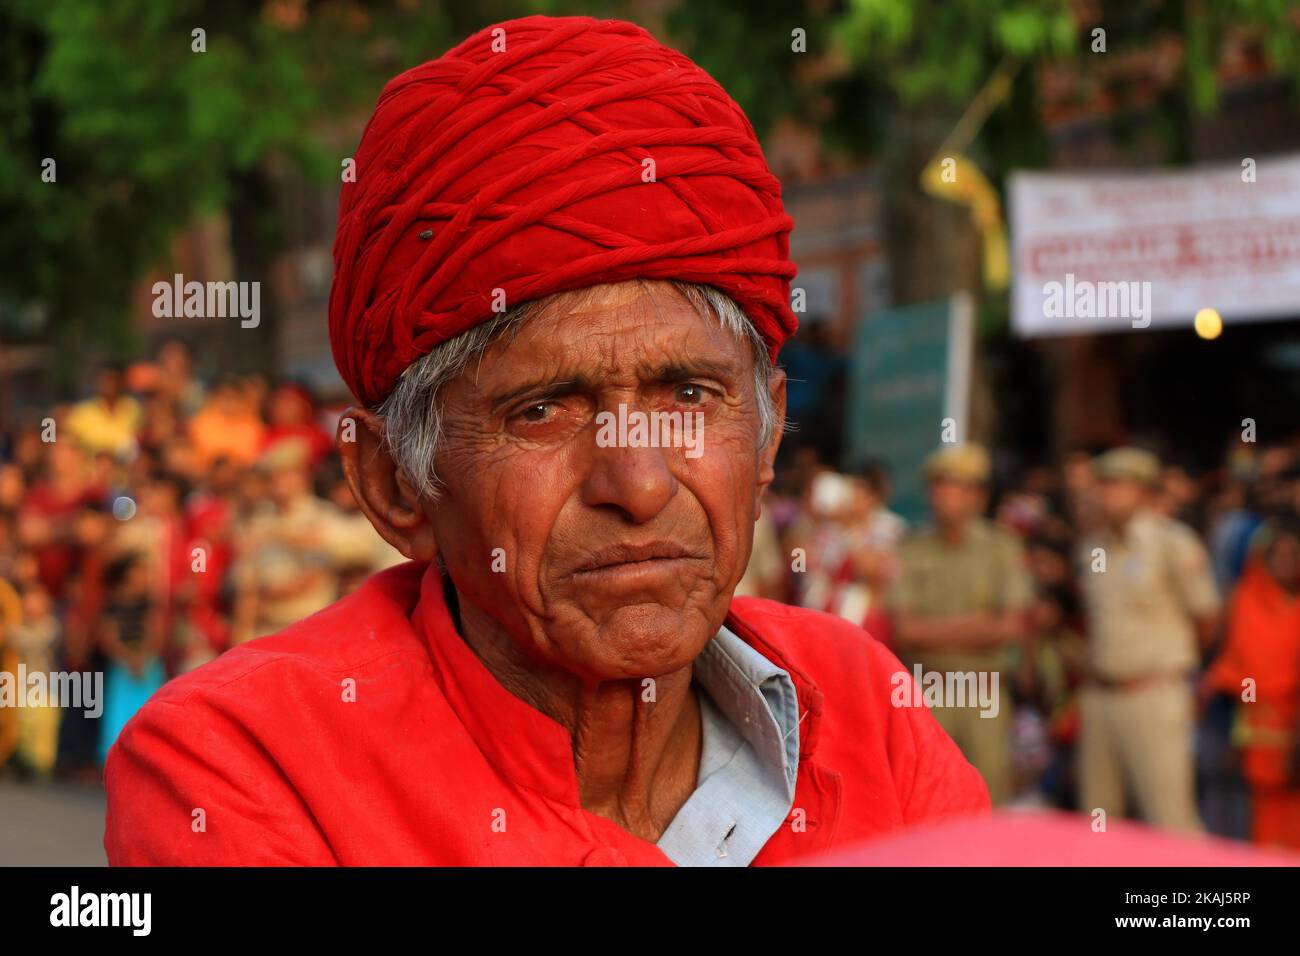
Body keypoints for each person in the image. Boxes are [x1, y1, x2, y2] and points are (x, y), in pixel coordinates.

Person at [104, 15, 989, 867]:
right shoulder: (245, 765)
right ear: (394, 485)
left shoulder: (860, 703)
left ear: (763, 442)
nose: (638, 485)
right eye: (542, 410)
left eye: (688, 395)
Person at [1076, 447, 1220, 833]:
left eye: (1117, 485)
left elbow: (1206, 616)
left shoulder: (1172, 542)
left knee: (1170, 820)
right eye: (1102, 485)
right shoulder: (1092, 547)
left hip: (1154, 692)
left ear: (1142, 492)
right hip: (1101, 694)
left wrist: (1176, 665)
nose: (1106, 495)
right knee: (1097, 823)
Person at [889, 444, 1034, 805]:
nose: (946, 496)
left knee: (989, 794)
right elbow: (906, 631)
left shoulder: (1002, 548)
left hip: (984, 689)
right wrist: (981, 625)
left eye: (958, 487)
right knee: (929, 796)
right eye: (939, 486)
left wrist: (935, 631)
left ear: (978, 496)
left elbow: (1013, 626)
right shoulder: (910, 549)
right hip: (929, 686)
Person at [1203, 515, 1300, 849]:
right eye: (1280, 554)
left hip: (1292, 730)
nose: (1288, 562)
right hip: (1246, 730)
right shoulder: (1244, 599)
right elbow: (1229, 661)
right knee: (1250, 828)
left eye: (1295, 554)